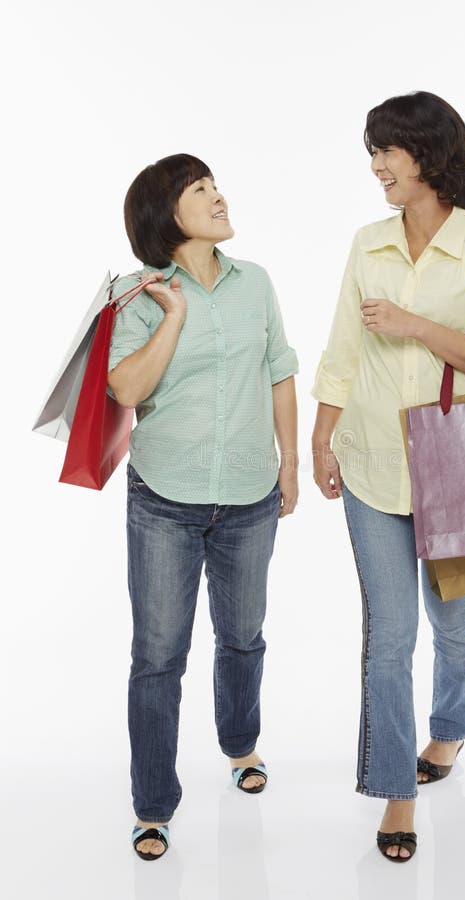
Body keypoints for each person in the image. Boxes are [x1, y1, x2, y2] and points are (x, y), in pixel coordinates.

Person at [311, 91, 465, 863]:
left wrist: (414, 326)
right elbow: (343, 345)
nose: (376, 166)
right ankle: (395, 789)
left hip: (457, 459)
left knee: (453, 624)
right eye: (373, 152)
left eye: (387, 151)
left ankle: (452, 727)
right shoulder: (368, 243)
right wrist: (322, 435)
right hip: (371, 455)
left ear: (429, 155)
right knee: (389, 636)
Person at [108, 153, 299, 860]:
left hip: (250, 494)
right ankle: (153, 804)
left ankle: (240, 744)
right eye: (201, 189)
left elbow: (279, 371)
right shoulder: (138, 292)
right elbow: (127, 389)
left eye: (216, 185)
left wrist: (290, 462)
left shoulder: (258, 284)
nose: (220, 197)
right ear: (167, 213)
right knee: (158, 656)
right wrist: (175, 314)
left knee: (244, 636)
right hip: (164, 498)